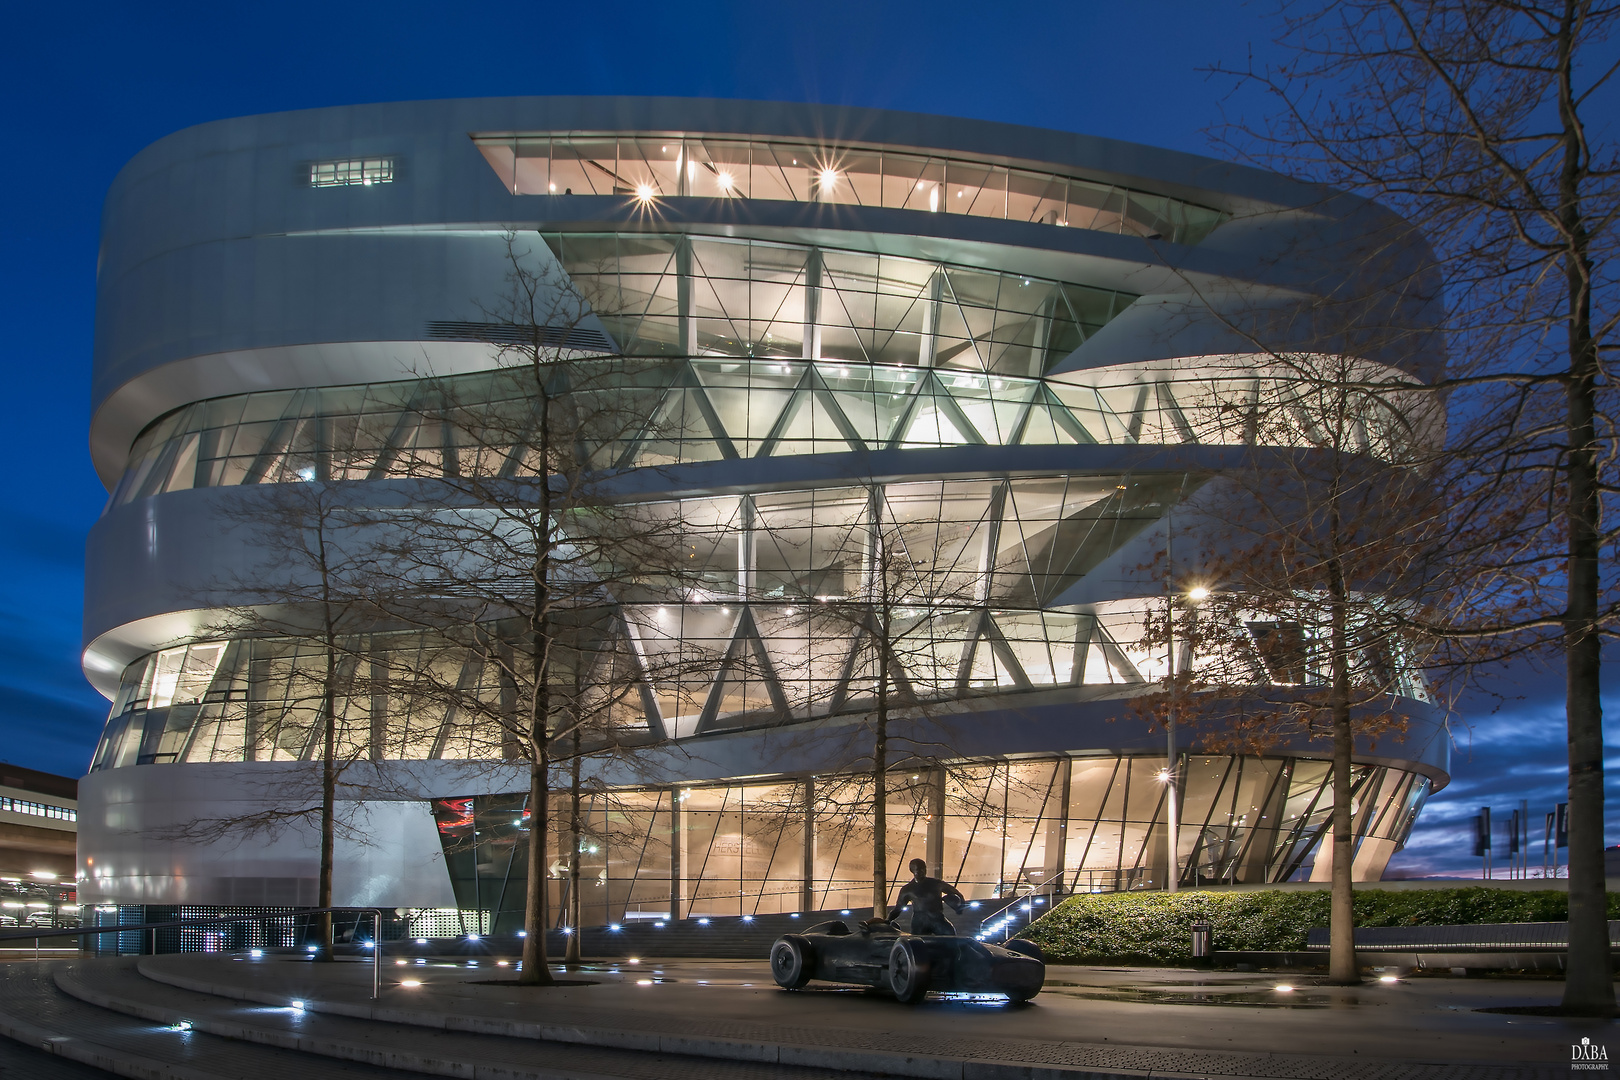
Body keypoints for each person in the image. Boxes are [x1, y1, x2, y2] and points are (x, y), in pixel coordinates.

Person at [887, 858, 966, 936]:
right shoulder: (907, 889)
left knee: (950, 936)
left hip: (937, 918)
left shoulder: (936, 883)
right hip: (920, 921)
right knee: (917, 943)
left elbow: (956, 893)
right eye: (918, 869)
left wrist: (960, 907)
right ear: (912, 871)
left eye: (924, 868)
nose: (922, 871)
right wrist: (888, 920)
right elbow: (898, 909)